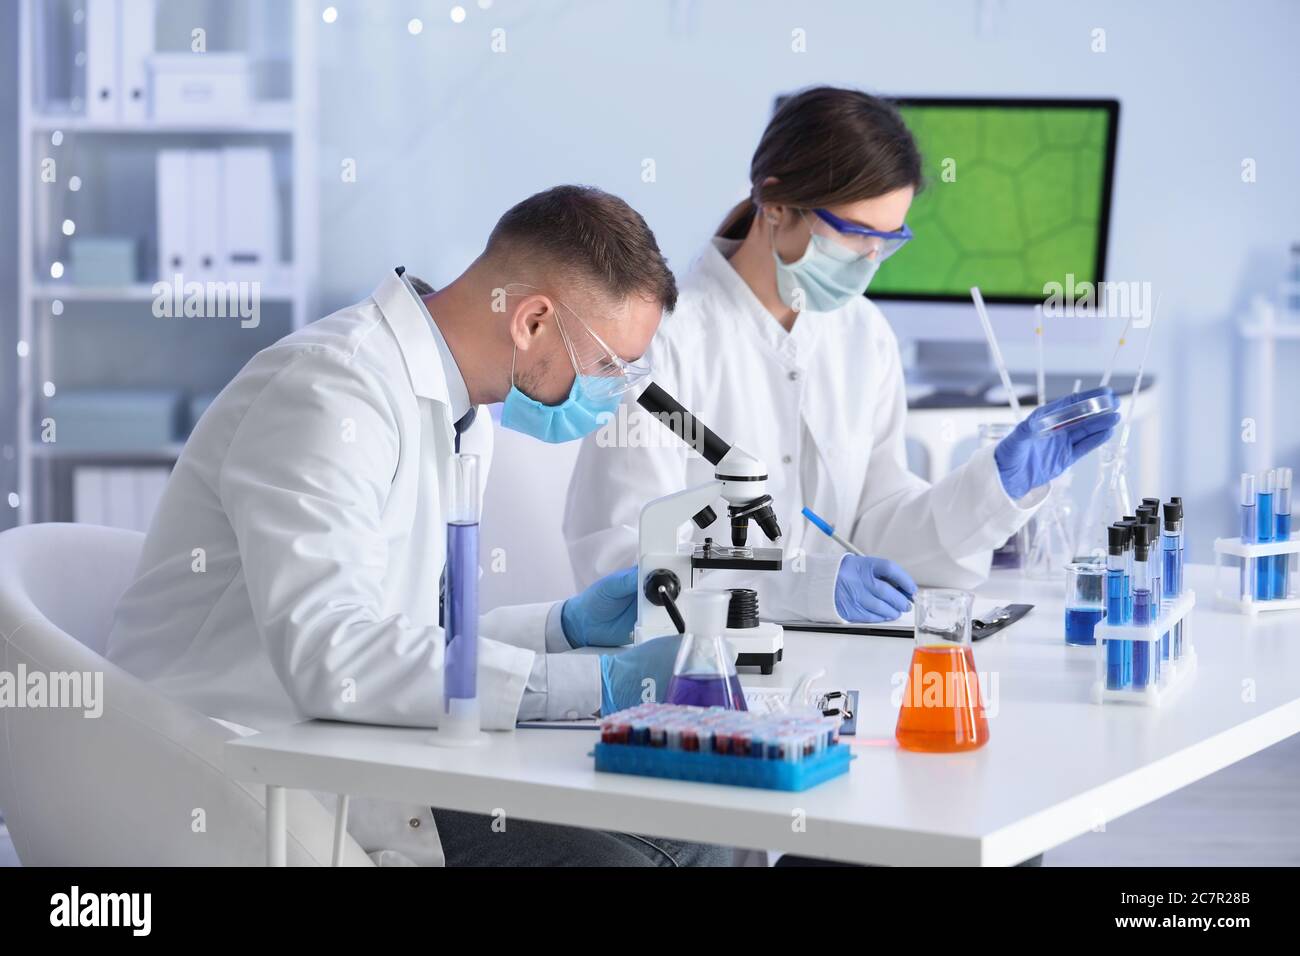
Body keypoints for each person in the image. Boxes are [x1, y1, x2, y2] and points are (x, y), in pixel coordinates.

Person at [107, 185, 726, 867]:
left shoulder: (461, 414)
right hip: (245, 771)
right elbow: (334, 657)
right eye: (609, 364)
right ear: (532, 323)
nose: (611, 393)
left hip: (367, 746)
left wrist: (563, 628)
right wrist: (595, 689)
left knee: (706, 827)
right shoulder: (329, 391)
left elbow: (410, 641)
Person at [564, 87, 1120, 624]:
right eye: (854, 234)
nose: (872, 259)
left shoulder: (863, 335)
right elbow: (618, 562)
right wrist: (798, 586)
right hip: (694, 672)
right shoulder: (663, 342)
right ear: (777, 204)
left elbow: (875, 525)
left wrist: (993, 490)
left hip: (838, 664)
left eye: (888, 239)